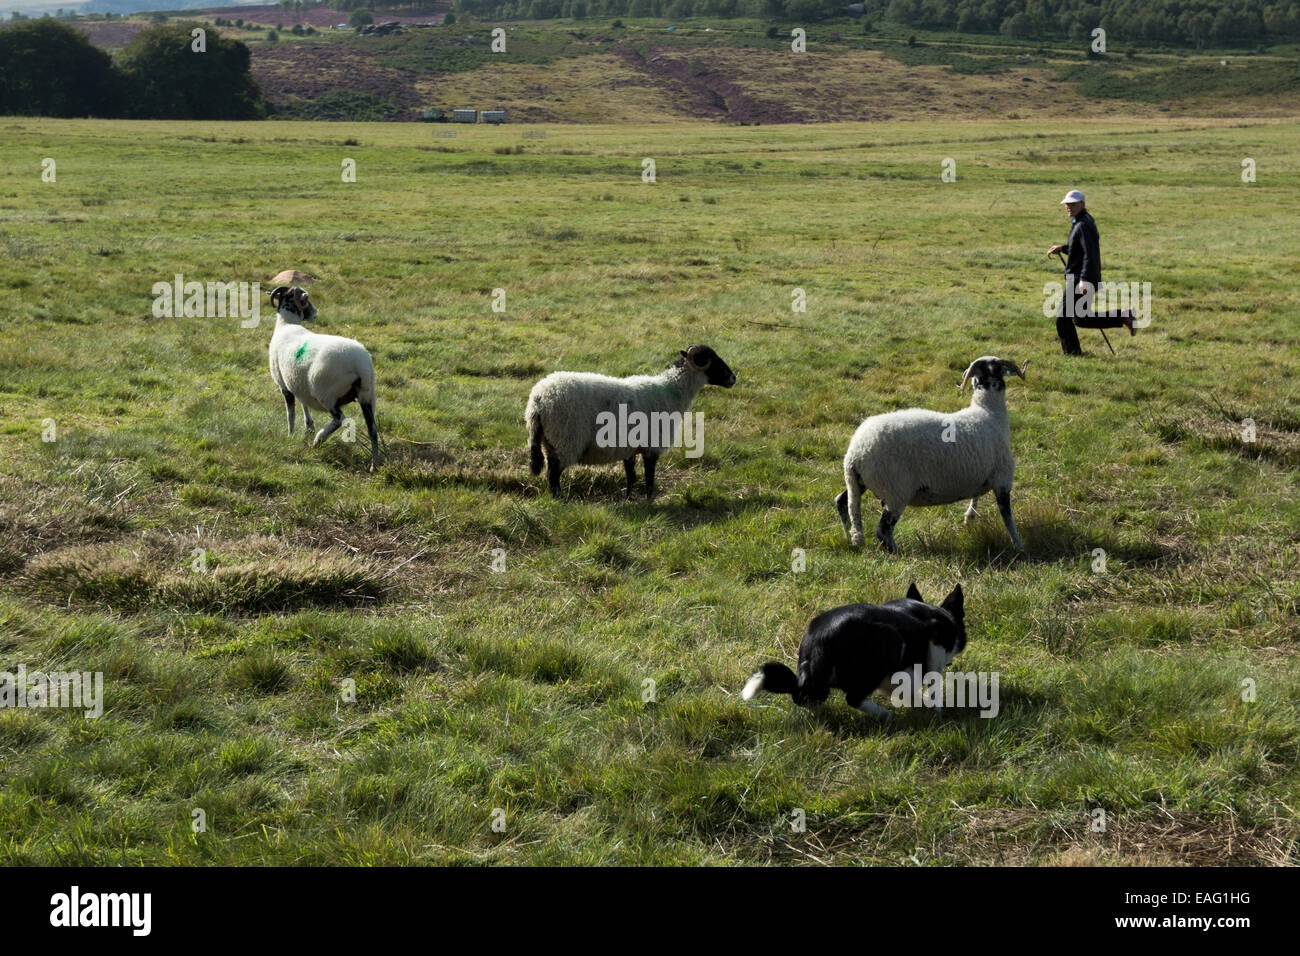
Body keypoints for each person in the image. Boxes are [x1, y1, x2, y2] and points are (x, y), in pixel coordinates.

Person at [1047, 189, 1136, 355]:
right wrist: (1064, 248)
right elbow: (1081, 248)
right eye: (1067, 204)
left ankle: (1073, 354)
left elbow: (1091, 254)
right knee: (1082, 318)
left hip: (1080, 279)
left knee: (1063, 319)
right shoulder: (1082, 221)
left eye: (1072, 204)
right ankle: (1124, 315)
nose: (1068, 207)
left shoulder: (1082, 225)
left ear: (1082, 204)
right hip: (1082, 277)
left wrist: (1085, 280)